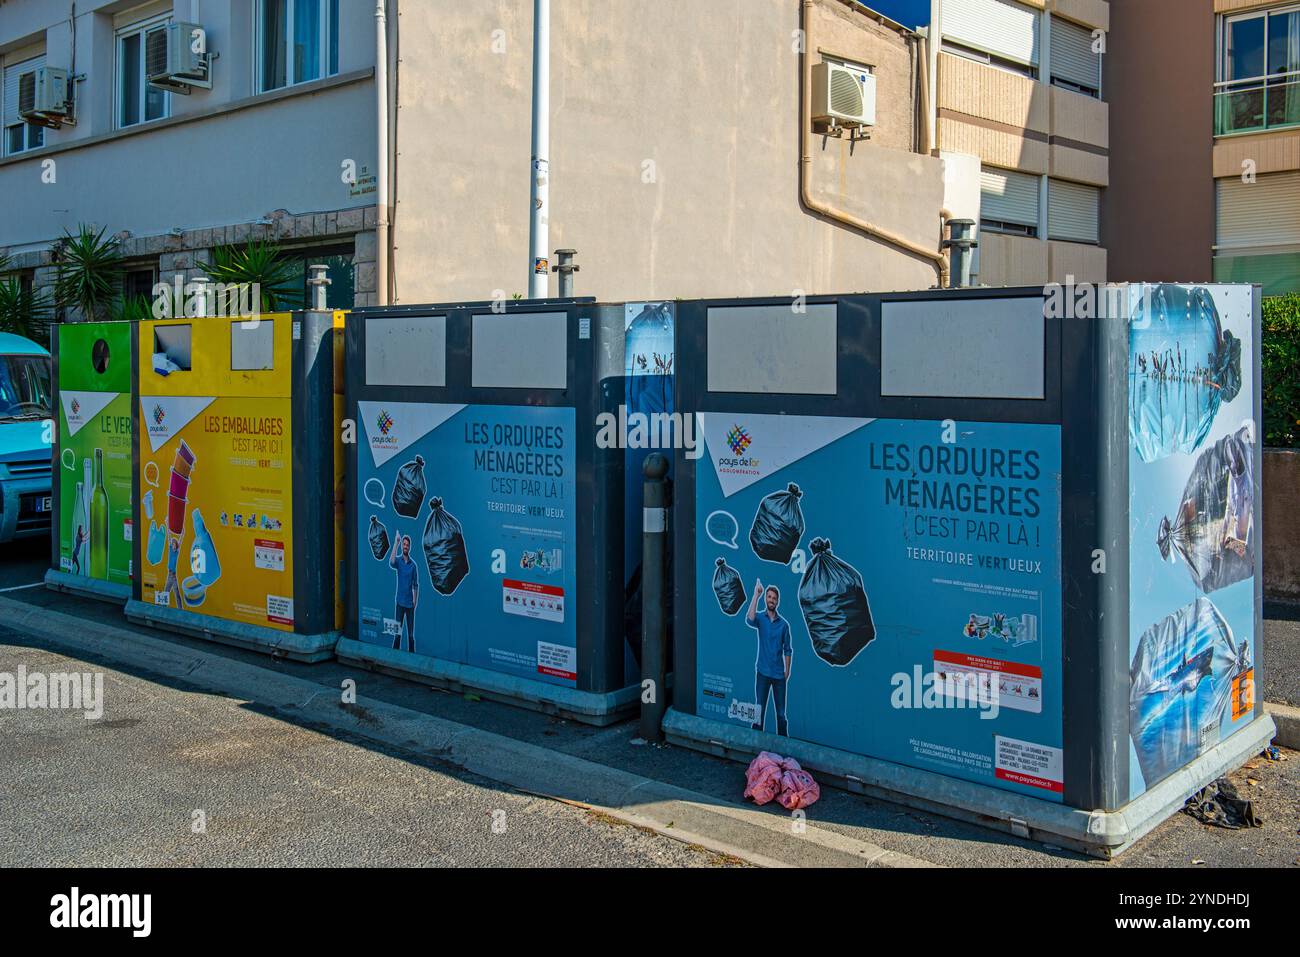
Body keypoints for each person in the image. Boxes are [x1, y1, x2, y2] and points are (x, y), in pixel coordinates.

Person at [746, 579, 792, 736]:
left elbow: (788, 650)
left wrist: (787, 671)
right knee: (759, 712)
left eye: (774, 598)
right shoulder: (760, 618)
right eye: (769, 597)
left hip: (779, 675)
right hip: (763, 673)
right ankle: (756, 746)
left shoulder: (784, 625)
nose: (771, 600)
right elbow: (749, 618)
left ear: (777, 601)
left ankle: (783, 746)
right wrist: (756, 595)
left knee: (781, 715)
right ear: (766, 599)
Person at [389, 534, 419, 653]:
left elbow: (415, 585)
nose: (406, 546)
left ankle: (412, 658)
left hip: (410, 604)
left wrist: (415, 601)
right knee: (397, 634)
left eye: (407, 545)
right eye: (404, 544)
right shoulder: (399, 562)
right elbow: (391, 562)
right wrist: (396, 542)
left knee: (411, 635)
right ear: (402, 546)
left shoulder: (413, 565)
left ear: (410, 547)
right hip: (400, 603)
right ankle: (394, 657)